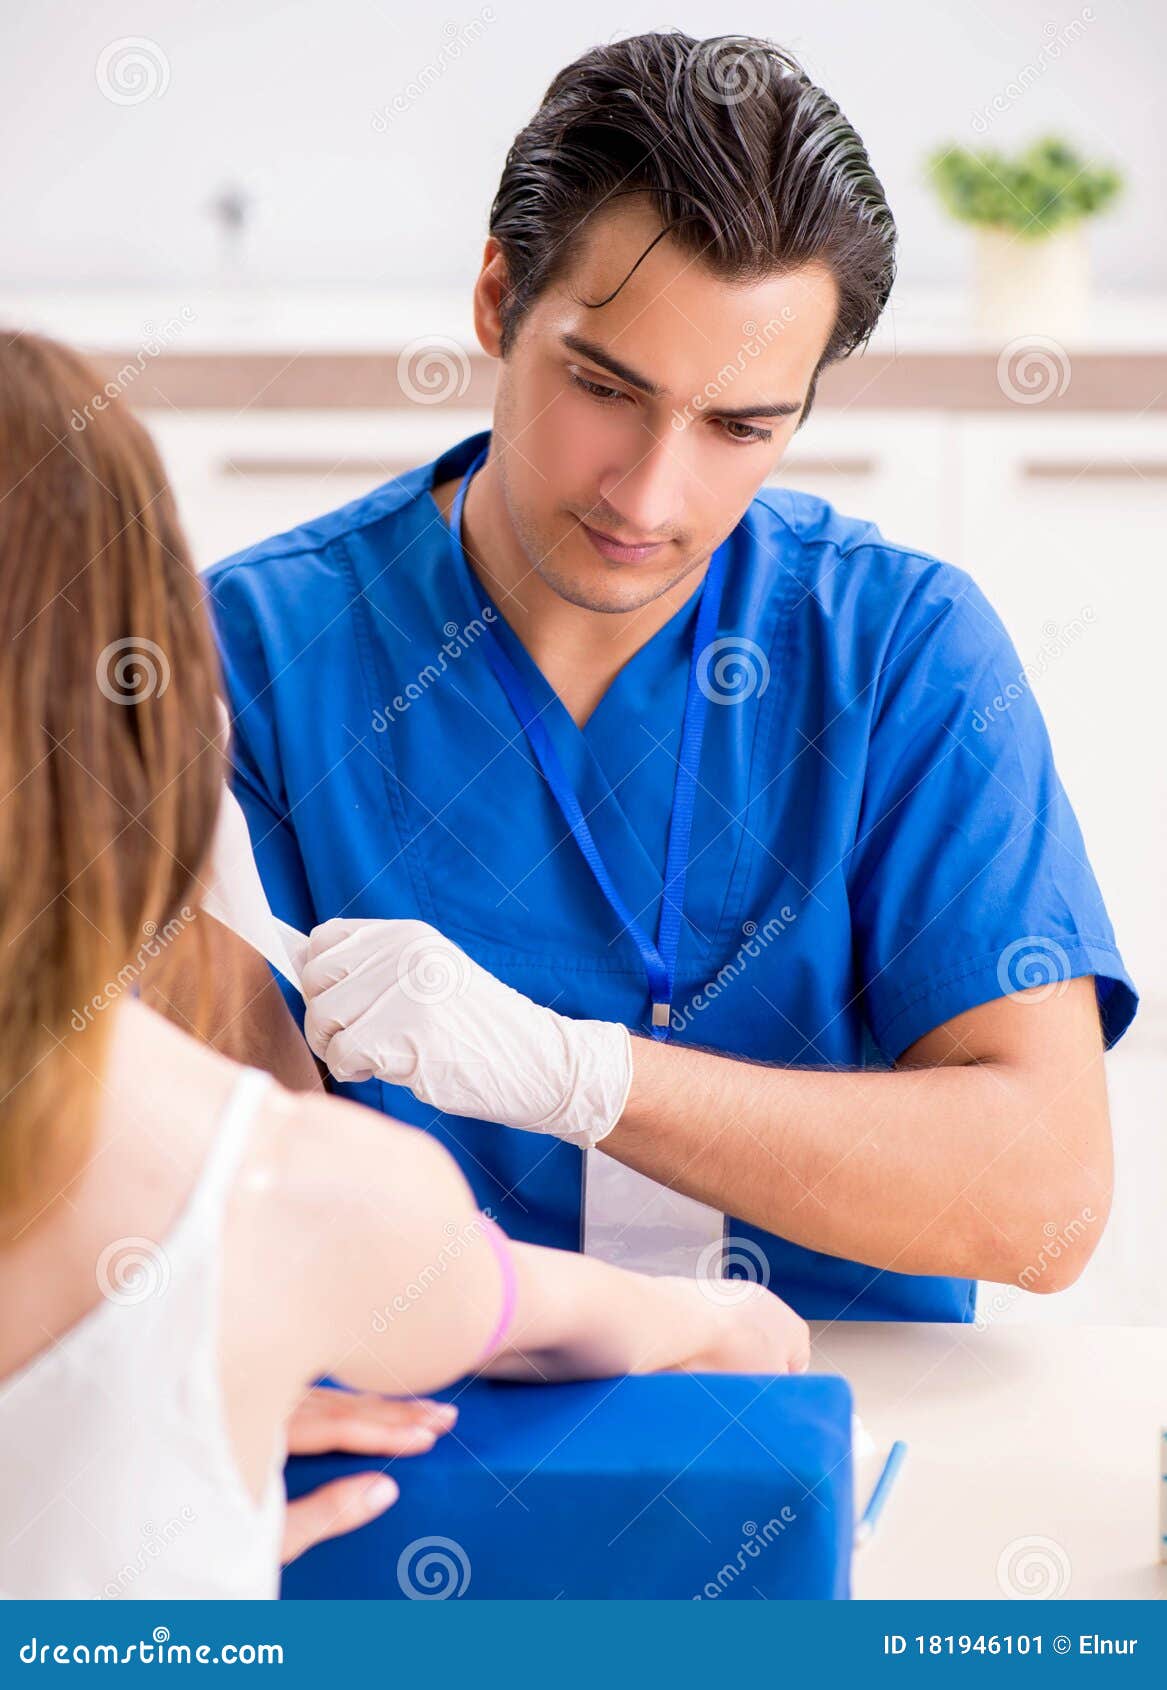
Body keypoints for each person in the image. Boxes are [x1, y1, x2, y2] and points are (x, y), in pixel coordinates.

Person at [204, 32, 1135, 1324]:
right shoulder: (252, 659)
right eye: (603, 387)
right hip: (434, 1395)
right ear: (497, 298)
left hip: (839, 1395)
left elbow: (1043, 1201)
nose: (647, 496)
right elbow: (214, 1193)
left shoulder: (899, 653)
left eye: (739, 426)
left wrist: (578, 1075)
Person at [0, 329, 810, 1601]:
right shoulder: (286, 1191)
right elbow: (626, 1325)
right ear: (162, 704)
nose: (650, 493)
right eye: (604, 386)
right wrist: (151, 1567)